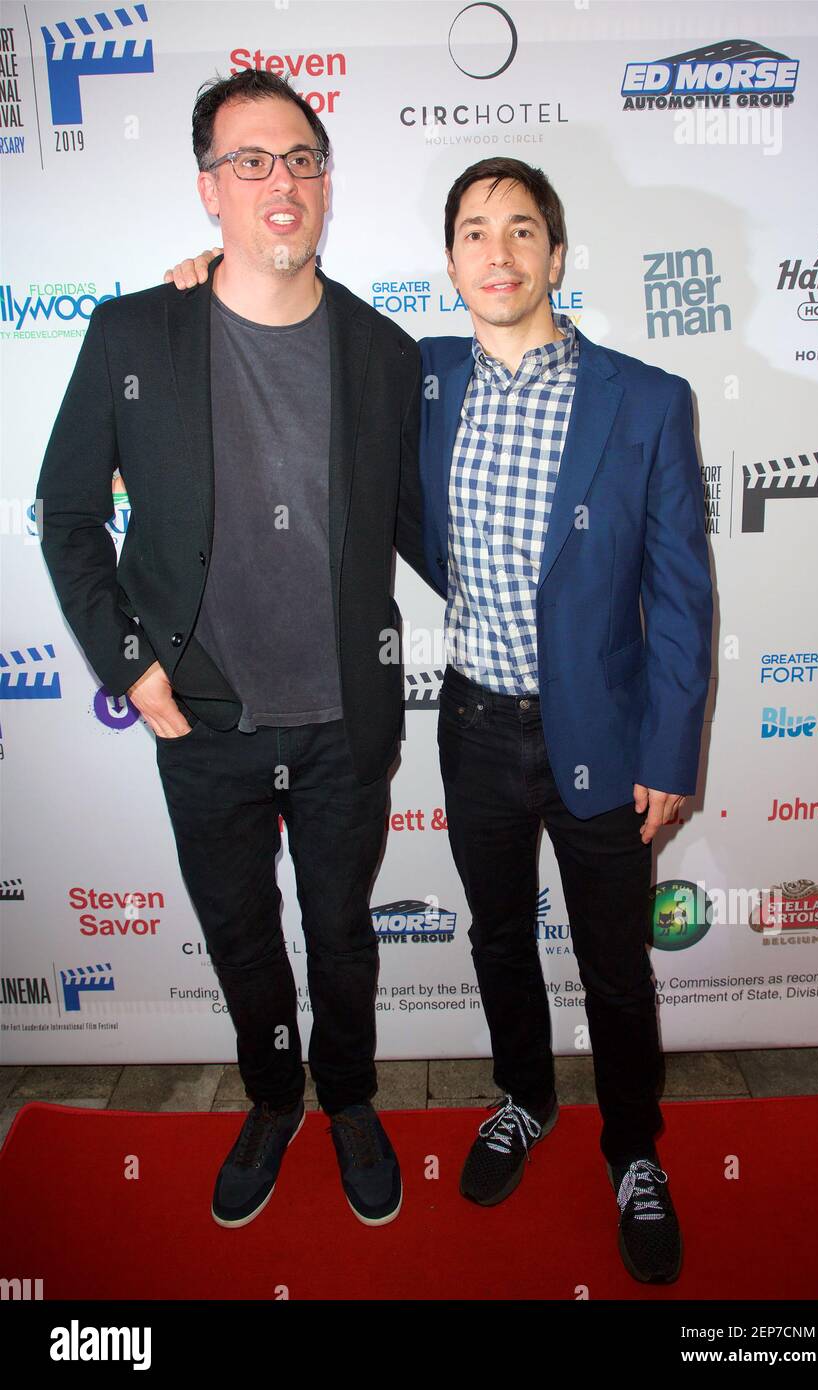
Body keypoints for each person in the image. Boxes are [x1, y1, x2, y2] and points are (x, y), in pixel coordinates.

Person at [166, 156, 714, 1286]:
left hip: (604, 734)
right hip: (473, 724)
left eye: (521, 232)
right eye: (473, 232)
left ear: (555, 256)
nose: (498, 253)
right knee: (499, 938)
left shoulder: (646, 399)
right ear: (451, 260)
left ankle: (631, 1148)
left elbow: (682, 592)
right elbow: (293, 330)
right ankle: (523, 1100)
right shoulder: (420, 376)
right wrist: (200, 282)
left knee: (615, 962)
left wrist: (668, 747)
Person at [36, 69, 428, 1232]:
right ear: (209, 188)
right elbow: (65, 513)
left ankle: (348, 1096)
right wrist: (128, 663)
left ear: (323, 182)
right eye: (250, 160)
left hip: (344, 716)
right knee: (241, 932)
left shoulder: (382, 349)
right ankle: (272, 1096)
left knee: (341, 930)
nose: (281, 180)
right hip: (197, 713)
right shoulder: (133, 330)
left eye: (300, 158)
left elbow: (418, 523)